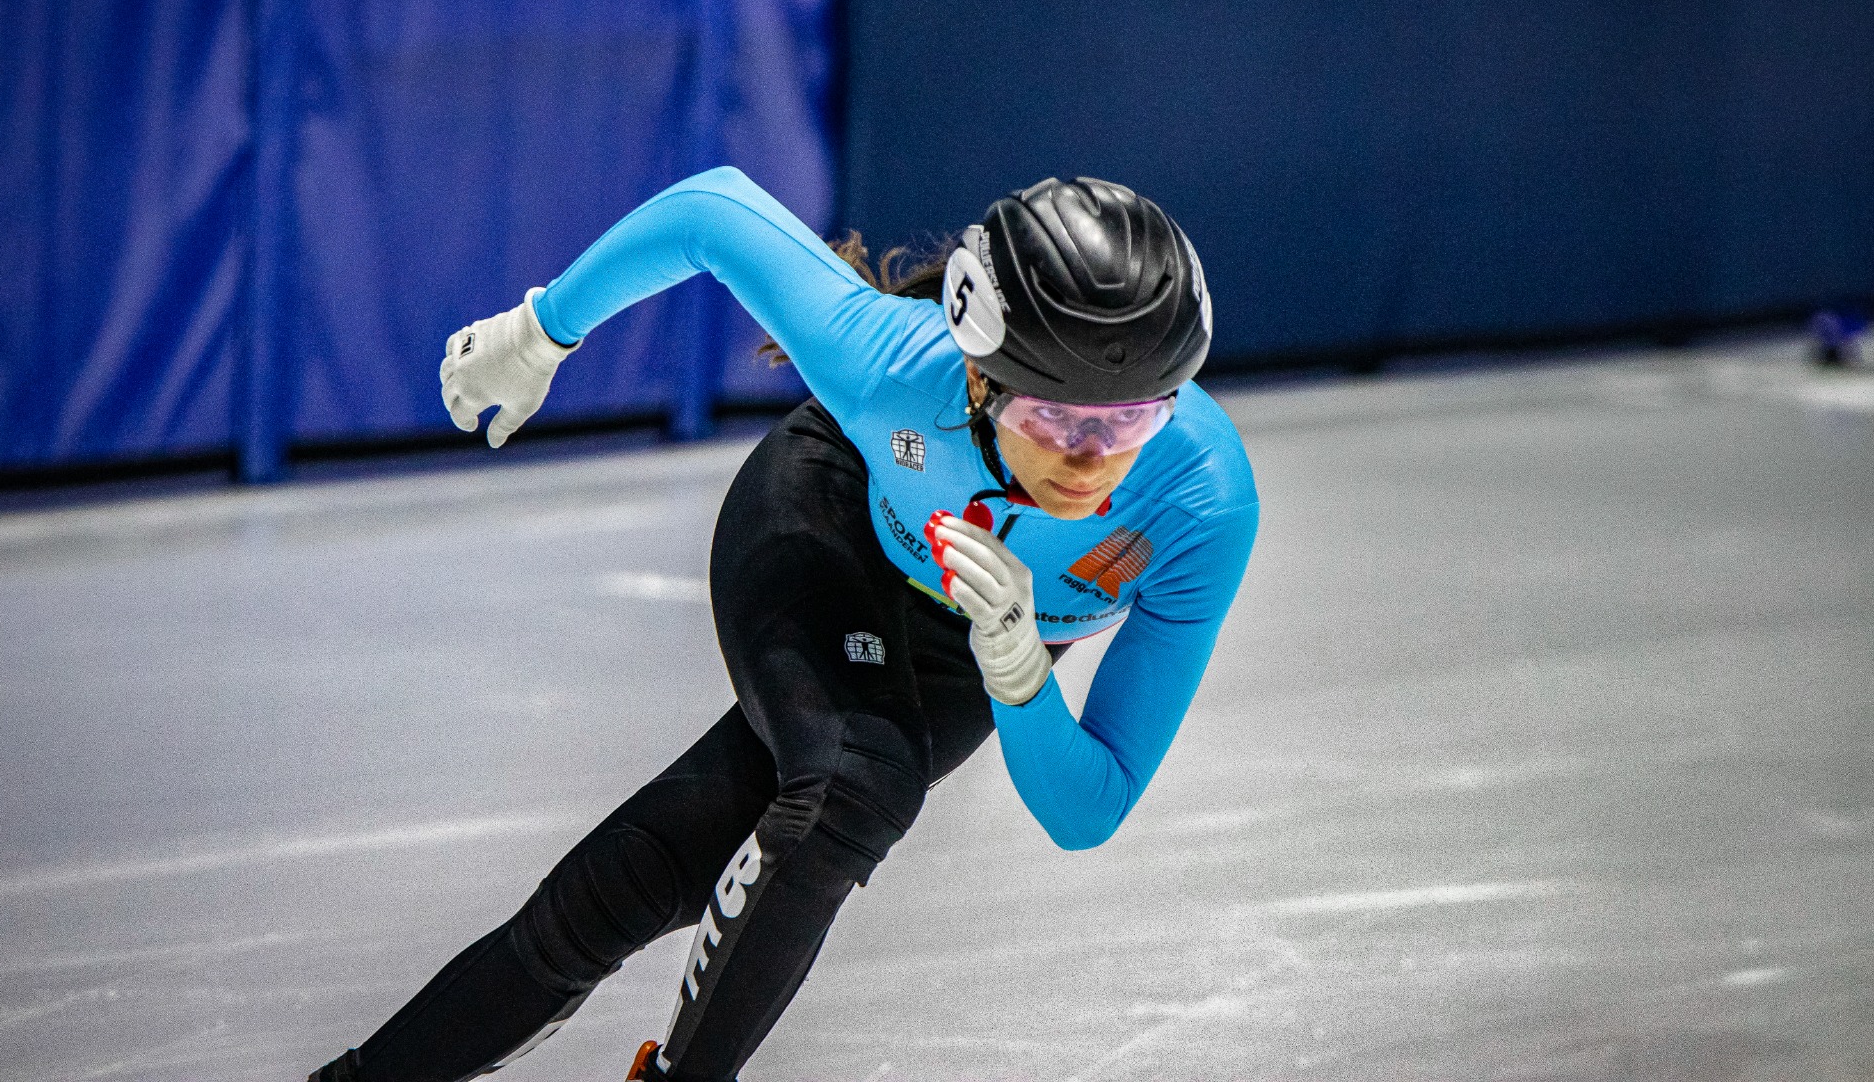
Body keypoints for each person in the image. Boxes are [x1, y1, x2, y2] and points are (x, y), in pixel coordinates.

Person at [309, 168, 1258, 1082]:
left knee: (643, 880)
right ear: (981, 377)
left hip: (972, 646)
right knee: (860, 784)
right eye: (1057, 420)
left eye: (1132, 420)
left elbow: (1087, 811)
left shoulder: (1200, 507)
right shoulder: (892, 367)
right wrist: (540, 328)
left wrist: (1021, 677)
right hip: (831, 525)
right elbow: (712, 211)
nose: (1094, 460)